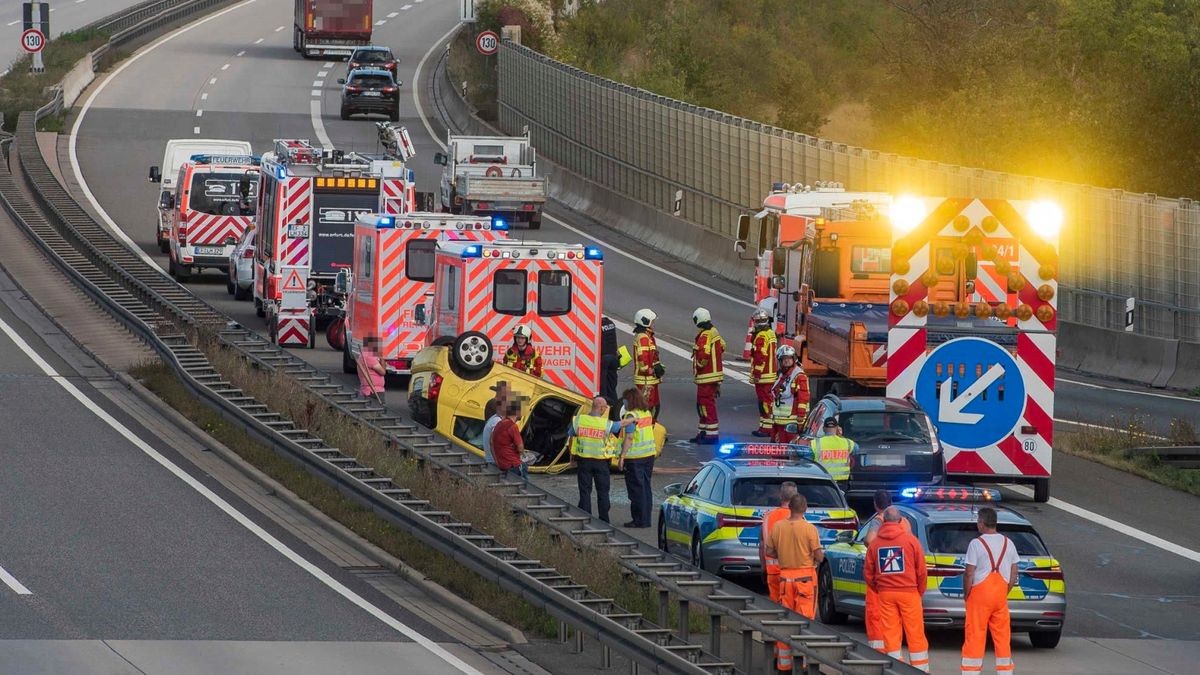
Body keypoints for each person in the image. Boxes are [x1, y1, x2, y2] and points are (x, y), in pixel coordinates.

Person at [764, 494, 825, 672]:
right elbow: (819, 556)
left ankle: (784, 666)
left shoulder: (778, 527)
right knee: (805, 624)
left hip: (785, 579)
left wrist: (782, 555)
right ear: (805, 509)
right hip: (805, 579)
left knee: (786, 622)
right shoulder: (809, 529)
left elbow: (769, 551)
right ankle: (803, 665)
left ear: (790, 507)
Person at [865, 507, 930, 672]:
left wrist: (879, 589)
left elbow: (868, 573)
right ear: (900, 521)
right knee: (915, 634)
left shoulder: (875, 544)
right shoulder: (911, 541)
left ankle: (895, 670)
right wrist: (919, 591)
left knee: (891, 634)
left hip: (885, 594)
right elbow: (922, 571)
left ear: (884, 521)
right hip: (909, 593)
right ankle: (920, 669)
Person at [961, 507, 1020, 675]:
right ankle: (1005, 671)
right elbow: (1014, 571)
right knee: (1002, 637)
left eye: (978, 521)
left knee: (975, 635)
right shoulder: (1008, 543)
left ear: (981, 523)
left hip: (979, 598)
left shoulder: (976, 544)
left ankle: (971, 672)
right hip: (1000, 596)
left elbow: (969, 573)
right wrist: (1005, 590)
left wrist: (967, 594)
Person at [863, 490, 912, 651]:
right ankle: (894, 650)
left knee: (877, 616)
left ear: (875, 504)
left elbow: (870, 540)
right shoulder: (904, 522)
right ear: (891, 502)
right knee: (896, 620)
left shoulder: (878, 520)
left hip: (883, 577)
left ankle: (879, 654)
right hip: (903, 578)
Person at [568, 396, 626, 523]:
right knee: (603, 492)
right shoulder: (605, 424)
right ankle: (604, 520)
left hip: (584, 461)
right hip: (601, 463)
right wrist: (632, 419)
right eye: (605, 407)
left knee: (585, 491)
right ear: (600, 408)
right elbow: (619, 425)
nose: (606, 410)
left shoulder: (579, 420)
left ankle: (585, 518)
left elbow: (571, 436)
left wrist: (572, 457)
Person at [616, 388, 656, 528]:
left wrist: (622, 457)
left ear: (630, 400)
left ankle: (638, 519)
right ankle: (646, 519)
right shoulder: (646, 412)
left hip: (634, 457)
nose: (624, 402)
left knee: (636, 490)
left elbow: (630, 437)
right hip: (649, 455)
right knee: (645, 487)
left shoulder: (630, 415)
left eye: (625, 400)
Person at [758, 481, 799, 603]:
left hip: (773, 571)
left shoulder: (768, 516)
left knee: (776, 608)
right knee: (790, 608)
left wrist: (763, 567)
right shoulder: (799, 518)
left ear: (780, 496)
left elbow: (762, 545)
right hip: (792, 572)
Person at [690, 307, 725, 445]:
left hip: (706, 377)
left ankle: (711, 436)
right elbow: (723, 346)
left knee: (705, 404)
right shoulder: (714, 331)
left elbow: (704, 354)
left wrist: (699, 365)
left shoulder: (705, 335)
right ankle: (702, 432)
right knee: (702, 405)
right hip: (713, 376)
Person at [749, 308, 778, 437]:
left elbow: (760, 357)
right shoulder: (771, 333)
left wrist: (756, 374)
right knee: (767, 401)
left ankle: (766, 428)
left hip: (763, 376)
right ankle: (765, 426)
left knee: (764, 402)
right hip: (771, 373)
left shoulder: (761, 336)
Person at [771, 345, 809, 443]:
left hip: (791, 421)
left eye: (789, 358)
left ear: (794, 359)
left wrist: (800, 417)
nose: (786, 361)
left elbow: (803, 397)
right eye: (784, 359)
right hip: (779, 420)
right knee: (776, 448)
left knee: (789, 449)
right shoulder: (781, 374)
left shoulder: (799, 376)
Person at [632, 308, 664, 422]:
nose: (653, 324)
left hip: (650, 380)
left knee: (654, 406)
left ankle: (652, 429)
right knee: (648, 408)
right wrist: (650, 371)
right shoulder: (643, 338)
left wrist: (658, 368)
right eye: (652, 321)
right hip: (646, 380)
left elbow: (653, 356)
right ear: (646, 322)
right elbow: (643, 359)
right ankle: (648, 429)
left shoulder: (648, 337)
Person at [812, 417, 856, 484]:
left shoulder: (815, 443)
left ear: (823, 429)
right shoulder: (847, 442)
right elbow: (856, 448)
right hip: (842, 481)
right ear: (837, 428)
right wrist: (840, 436)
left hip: (822, 480)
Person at [491, 401, 527, 480]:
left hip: (502, 464)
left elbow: (491, 443)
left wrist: (497, 461)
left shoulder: (499, 424)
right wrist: (523, 454)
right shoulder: (512, 426)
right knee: (524, 466)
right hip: (512, 465)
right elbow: (520, 448)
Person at [356, 335, 386, 405]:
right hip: (373, 391)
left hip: (368, 389)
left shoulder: (363, 356)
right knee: (379, 411)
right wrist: (382, 358)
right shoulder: (369, 357)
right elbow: (382, 372)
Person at [599, 316, 620, 411]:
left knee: (602, 384)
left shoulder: (598, 325)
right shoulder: (611, 323)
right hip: (614, 357)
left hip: (604, 358)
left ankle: (603, 407)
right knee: (612, 385)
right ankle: (614, 407)